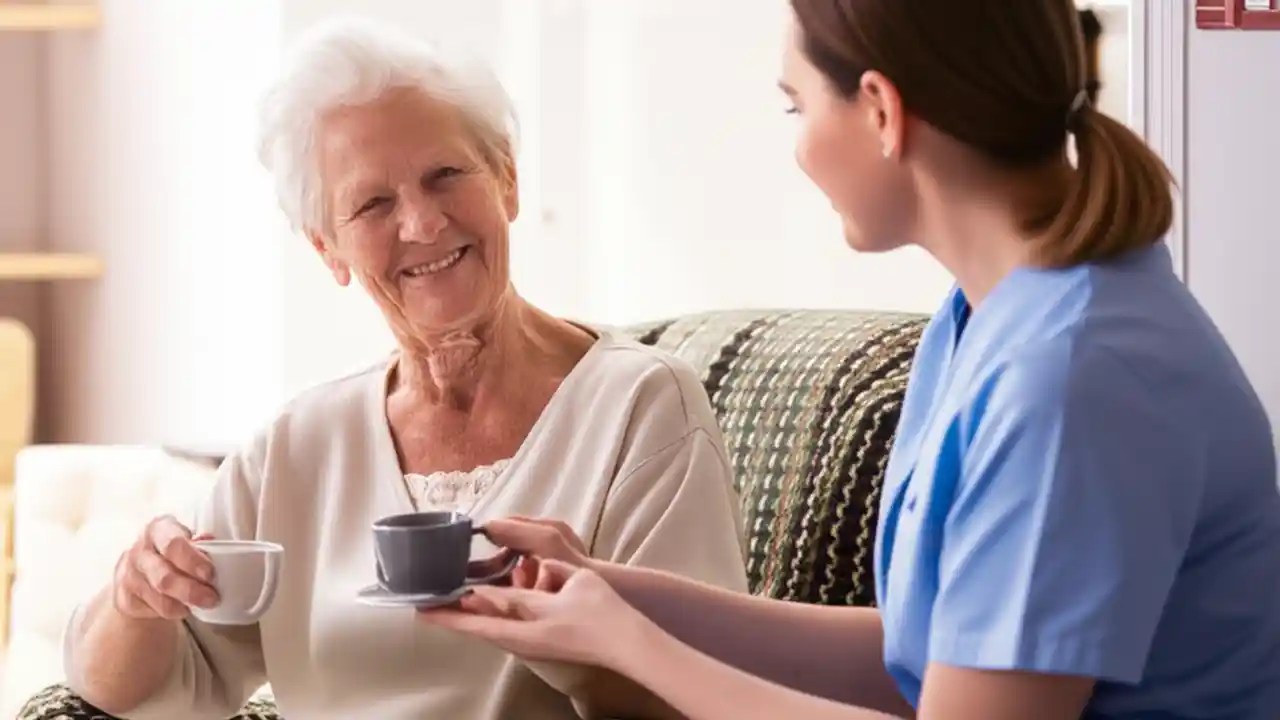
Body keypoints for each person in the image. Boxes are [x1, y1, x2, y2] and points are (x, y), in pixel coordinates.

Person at [422, 1, 1280, 718]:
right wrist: (610, 595)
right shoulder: (988, 321)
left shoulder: (1069, 381)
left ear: (880, 111)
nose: (798, 149)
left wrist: (632, 647)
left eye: (797, 107)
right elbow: (924, 665)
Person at [60, 17, 747, 720]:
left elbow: (700, 692)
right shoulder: (299, 446)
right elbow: (142, 687)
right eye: (373, 204)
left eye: (445, 175)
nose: (422, 223)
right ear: (328, 249)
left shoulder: (638, 407)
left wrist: (576, 638)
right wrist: (137, 597)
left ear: (507, 180)